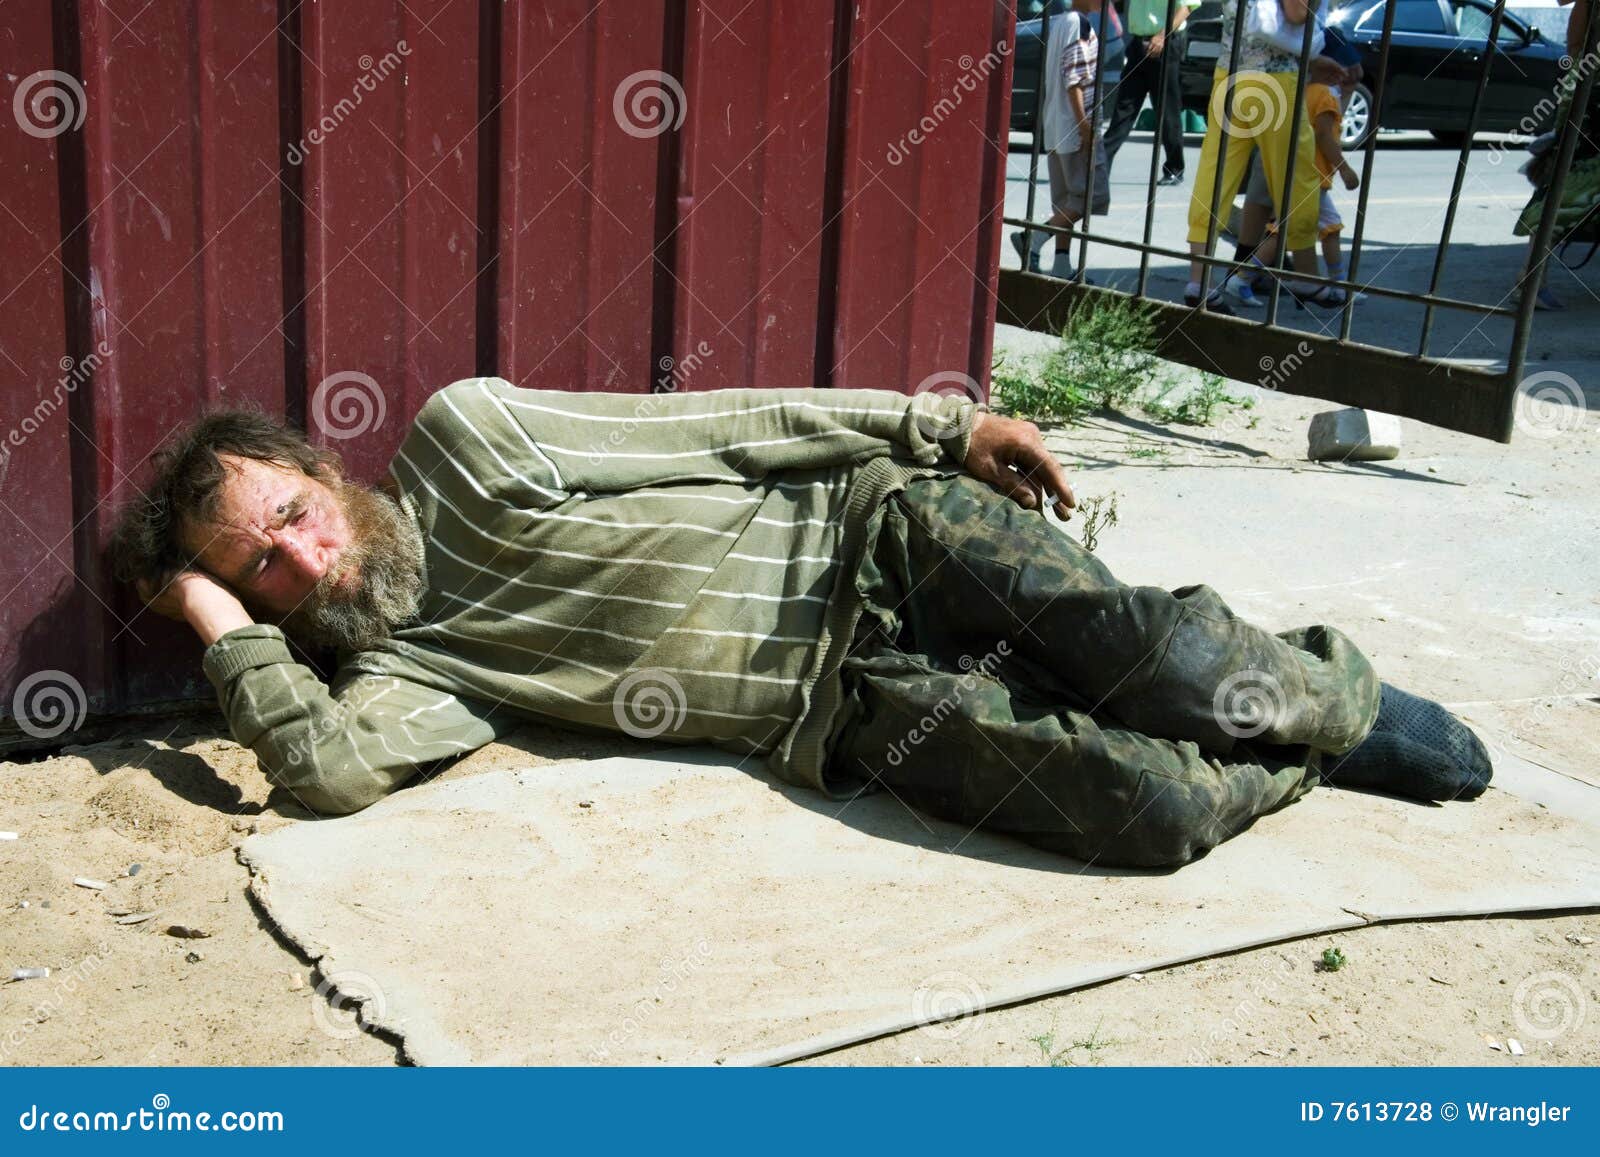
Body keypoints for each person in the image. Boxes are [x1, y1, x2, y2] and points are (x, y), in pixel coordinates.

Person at [110, 380, 1492, 870]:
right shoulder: (416, 670)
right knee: (1148, 809)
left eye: (290, 510)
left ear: (317, 467)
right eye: (262, 569)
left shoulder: (471, 440)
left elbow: (734, 424)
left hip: (880, 534)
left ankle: (1336, 697)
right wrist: (217, 620)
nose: (301, 552)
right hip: (840, 710)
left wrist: (941, 426)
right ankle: (1293, 751)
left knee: (1177, 666)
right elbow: (330, 774)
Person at [1183, 0, 1356, 312]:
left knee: (1216, 174)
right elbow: (1296, 12)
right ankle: (1306, 277)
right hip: (1275, 84)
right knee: (1296, 175)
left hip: (1230, 77)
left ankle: (1199, 281)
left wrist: (1313, 63)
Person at [1233, 63, 1362, 308]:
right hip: (1312, 176)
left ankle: (1243, 277)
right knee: (1325, 227)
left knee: (1284, 228)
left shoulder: (1306, 91)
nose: (1352, 75)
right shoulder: (1324, 95)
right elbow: (1324, 135)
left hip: (1298, 172)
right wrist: (1344, 169)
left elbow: (1327, 126)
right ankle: (1340, 286)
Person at [1012, 0, 1114, 279]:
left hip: (1056, 126)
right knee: (1092, 196)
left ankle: (1061, 264)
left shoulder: (1059, 22)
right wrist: (1084, 125)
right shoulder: (1078, 24)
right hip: (1074, 128)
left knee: (1065, 201)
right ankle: (1033, 238)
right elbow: (1075, 79)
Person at [1103, 0, 1200, 187]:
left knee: (1167, 111)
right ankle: (1101, 165)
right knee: (1124, 108)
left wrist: (1162, 35)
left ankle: (1174, 168)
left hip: (1166, 43)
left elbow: (1185, 8)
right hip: (1138, 43)